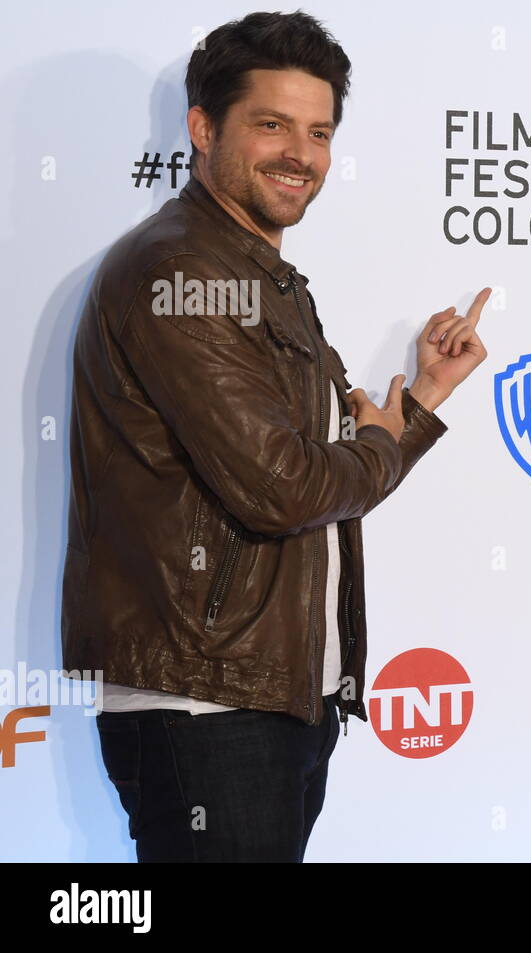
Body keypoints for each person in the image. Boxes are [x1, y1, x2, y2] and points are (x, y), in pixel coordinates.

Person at [61, 11, 490, 861]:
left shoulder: (259, 276)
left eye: (319, 131)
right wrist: (381, 440)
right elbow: (284, 486)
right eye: (272, 125)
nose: (301, 153)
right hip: (208, 704)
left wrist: (420, 398)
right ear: (202, 127)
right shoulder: (181, 273)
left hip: (268, 697)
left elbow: (308, 467)